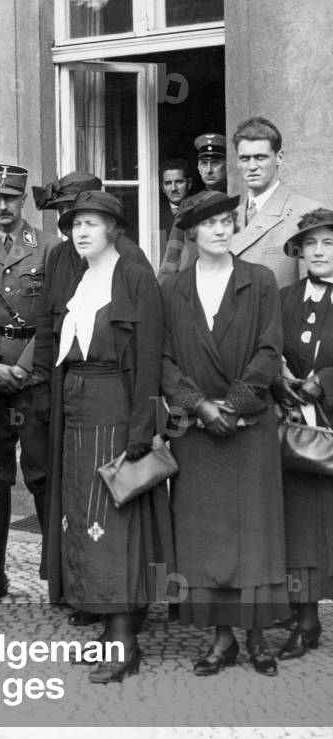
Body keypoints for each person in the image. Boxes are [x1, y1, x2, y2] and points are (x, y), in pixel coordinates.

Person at [40, 191, 172, 683]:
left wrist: (140, 429)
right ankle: (108, 625)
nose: (81, 232)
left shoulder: (135, 278)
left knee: (113, 519)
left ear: (114, 228)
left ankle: (125, 639)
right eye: (75, 224)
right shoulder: (81, 277)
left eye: (92, 223)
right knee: (83, 516)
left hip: (115, 410)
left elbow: (150, 354)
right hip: (76, 408)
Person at [160, 190, 289, 676]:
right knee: (205, 536)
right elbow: (164, 359)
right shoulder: (171, 288)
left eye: (227, 221)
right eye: (209, 223)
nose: (221, 229)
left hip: (248, 425)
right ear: (191, 232)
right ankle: (221, 639)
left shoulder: (259, 281)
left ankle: (256, 638)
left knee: (253, 534)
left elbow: (269, 351)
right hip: (197, 431)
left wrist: (232, 406)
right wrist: (199, 406)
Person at [0, 164, 57, 606]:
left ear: (23, 201)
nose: (2, 206)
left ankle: (55, 572)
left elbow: (55, 314)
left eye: (11, 198)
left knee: (40, 474)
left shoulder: (48, 250)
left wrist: (21, 364)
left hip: (33, 377)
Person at [272, 208, 333, 660]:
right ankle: (304, 616)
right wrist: (282, 379)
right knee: (301, 523)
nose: (318, 251)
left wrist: (325, 380)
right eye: (310, 244)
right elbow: (266, 348)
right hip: (295, 431)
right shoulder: (284, 297)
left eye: (328, 243)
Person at [229, 117, 321, 289]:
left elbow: (314, 294)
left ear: (279, 157)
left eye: (260, 157)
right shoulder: (228, 218)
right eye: (244, 158)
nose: (252, 166)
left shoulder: (307, 213)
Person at [158, 134, 229, 282]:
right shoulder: (188, 205)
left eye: (215, 163)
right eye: (204, 163)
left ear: (227, 165)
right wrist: (162, 289)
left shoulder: (240, 202)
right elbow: (173, 254)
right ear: (198, 167)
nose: (208, 170)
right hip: (192, 287)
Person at [158, 158, 193, 237]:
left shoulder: (201, 209)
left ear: (189, 183)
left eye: (179, 182)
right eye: (168, 183)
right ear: (162, 187)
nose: (173, 188)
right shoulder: (155, 215)